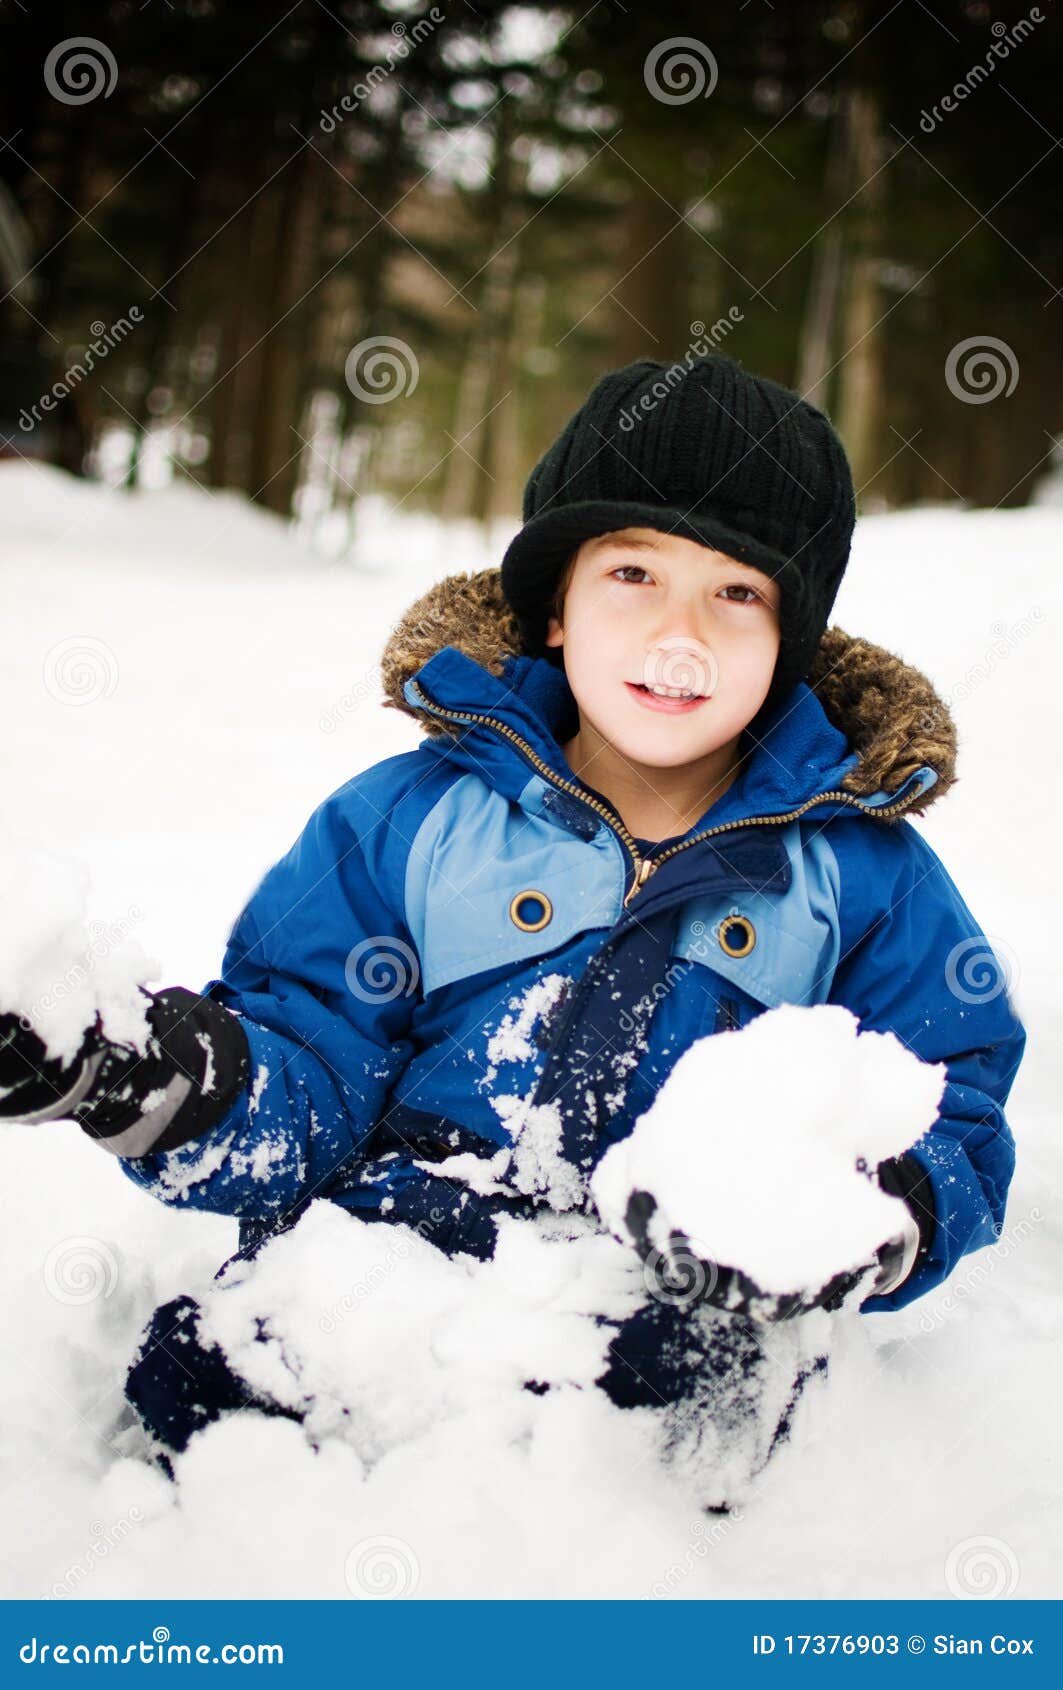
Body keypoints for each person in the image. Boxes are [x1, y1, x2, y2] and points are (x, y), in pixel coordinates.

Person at [0, 355, 1025, 1498]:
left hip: (673, 1287)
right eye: (633, 572)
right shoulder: (409, 819)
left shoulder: (857, 869)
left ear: (791, 640)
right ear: (553, 609)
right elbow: (309, 1057)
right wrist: (135, 1073)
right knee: (205, 1373)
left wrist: (866, 1207)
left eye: (736, 592)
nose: (678, 634)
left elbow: (951, 1090)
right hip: (394, 1253)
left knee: (668, 1414)